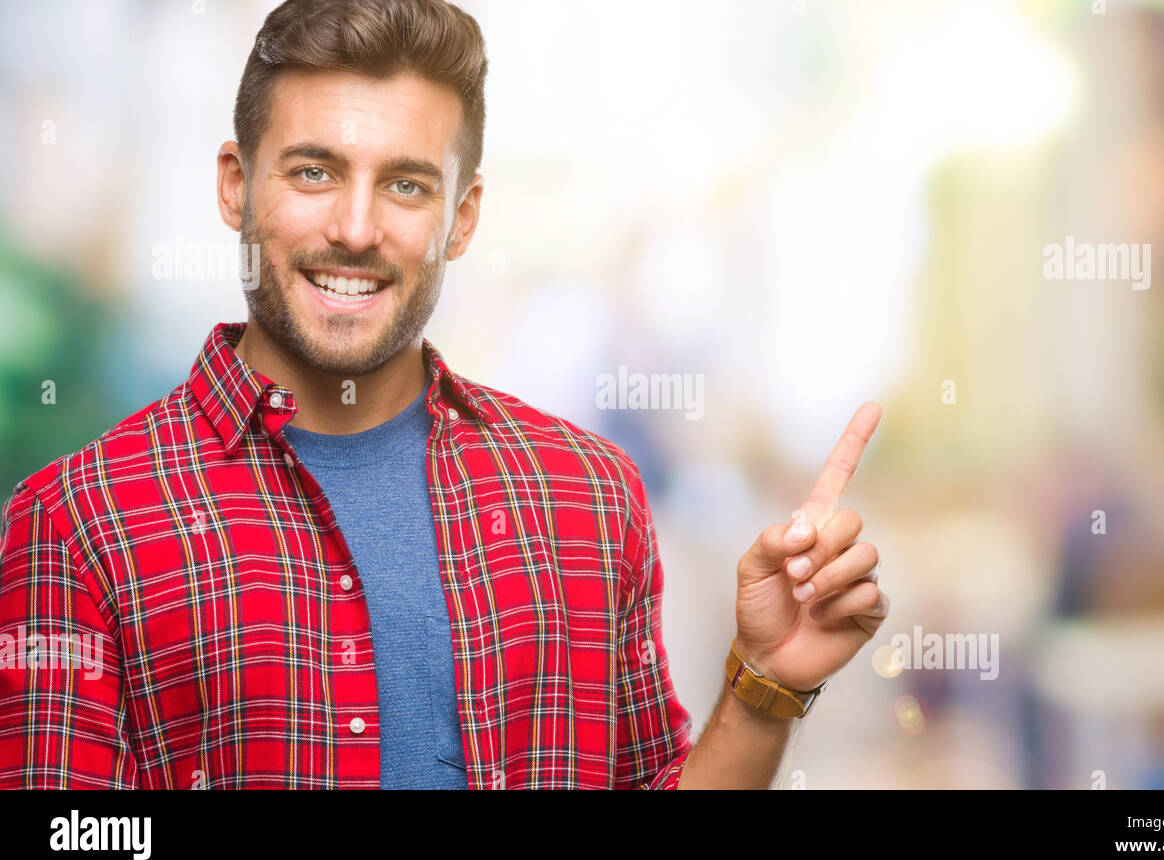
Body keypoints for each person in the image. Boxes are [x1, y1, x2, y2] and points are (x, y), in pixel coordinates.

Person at [0, 0, 885, 789]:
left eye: (406, 184)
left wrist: (767, 686)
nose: (355, 228)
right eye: (313, 172)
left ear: (461, 218)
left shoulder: (587, 495)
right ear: (237, 185)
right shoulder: (78, 524)